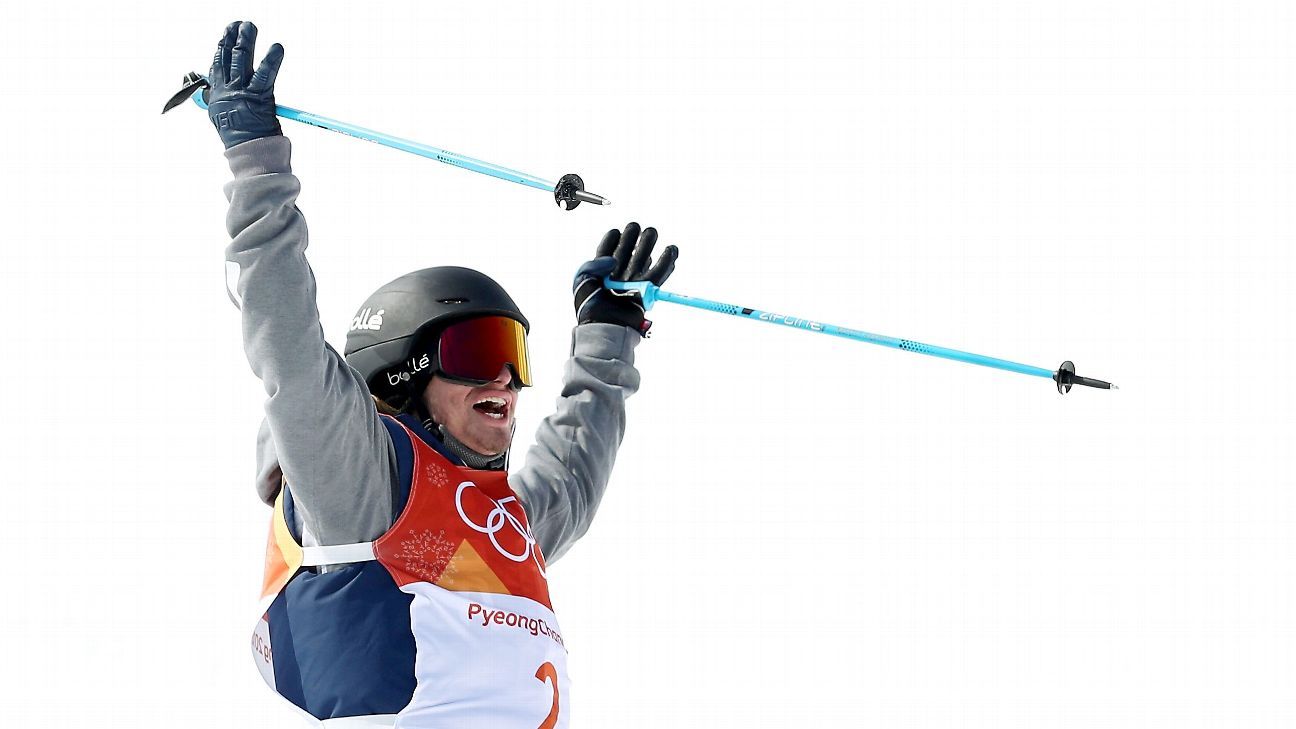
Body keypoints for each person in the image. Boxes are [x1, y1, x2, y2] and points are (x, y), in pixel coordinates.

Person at [208, 21, 678, 728]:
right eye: (476, 352)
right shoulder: (361, 483)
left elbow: (574, 472)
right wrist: (255, 161)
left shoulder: (498, 520)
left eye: (515, 357)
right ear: (405, 372)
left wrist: (609, 331)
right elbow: (288, 344)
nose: (505, 380)